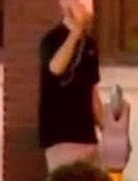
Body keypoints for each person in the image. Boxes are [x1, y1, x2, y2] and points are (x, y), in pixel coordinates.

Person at [39, 0, 103, 170]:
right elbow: (55, 68)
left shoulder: (90, 44)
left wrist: (106, 129)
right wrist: (76, 31)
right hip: (60, 135)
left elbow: (92, 91)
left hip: (87, 135)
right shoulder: (52, 39)